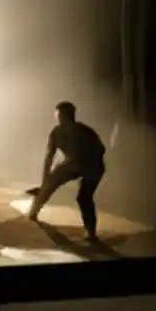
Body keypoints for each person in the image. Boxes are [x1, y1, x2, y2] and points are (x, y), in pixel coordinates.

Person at [27, 101, 106, 240]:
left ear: (65, 116)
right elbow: (49, 158)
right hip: (74, 163)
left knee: (84, 197)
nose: (58, 118)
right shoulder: (57, 133)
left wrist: (88, 167)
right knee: (53, 180)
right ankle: (33, 213)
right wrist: (46, 182)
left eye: (60, 115)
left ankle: (91, 232)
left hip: (92, 165)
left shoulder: (84, 131)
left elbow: (101, 150)